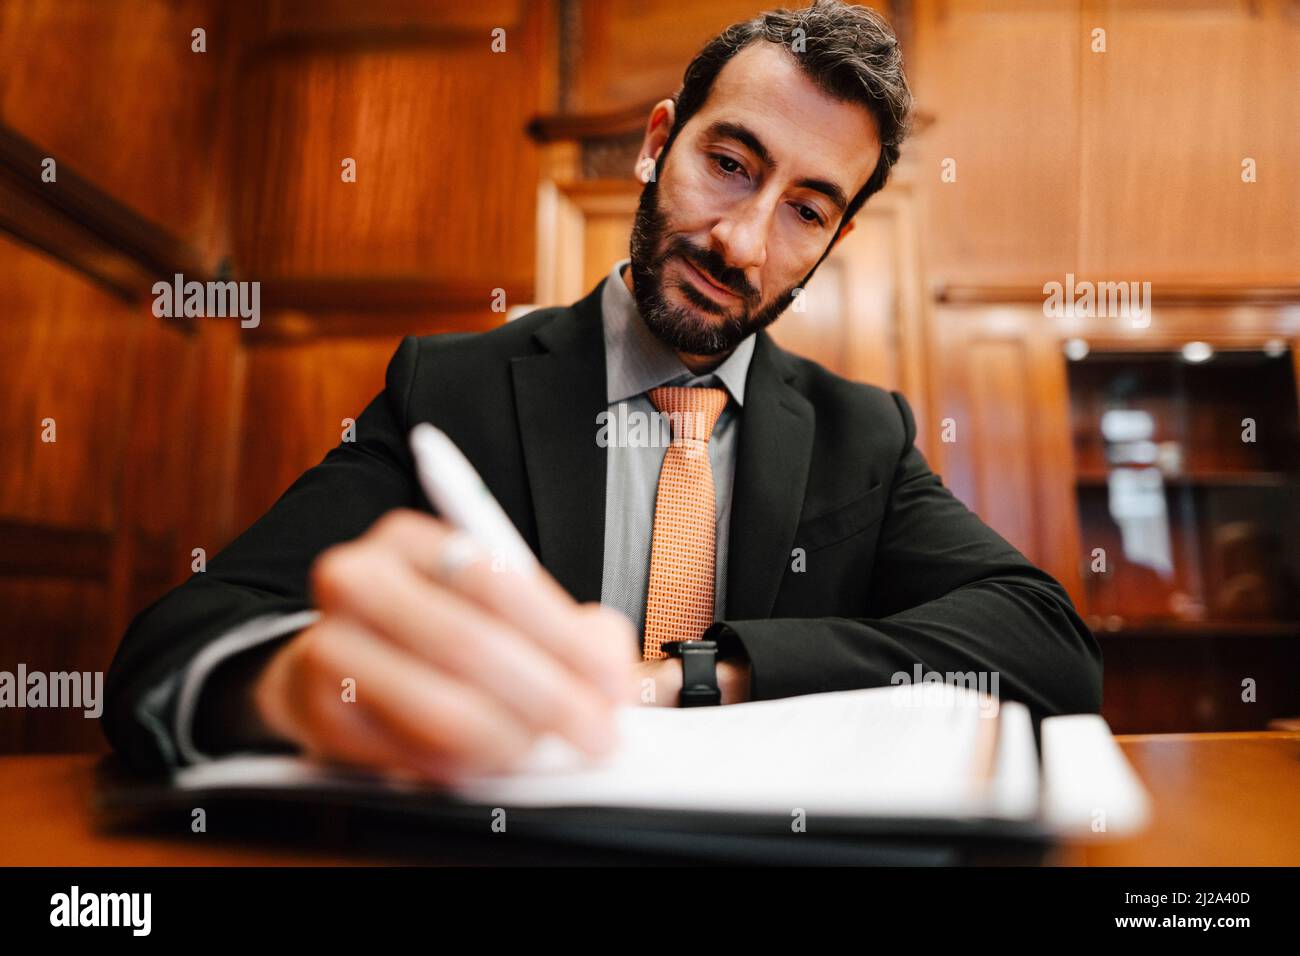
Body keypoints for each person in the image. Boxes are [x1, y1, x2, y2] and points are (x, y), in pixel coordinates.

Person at [103, 0, 1102, 785]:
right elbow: (181, 639)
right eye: (727, 163)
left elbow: (1045, 641)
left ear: (834, 243)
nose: (740, 241)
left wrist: (701, 677)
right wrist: (291, 687)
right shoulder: (451, 386)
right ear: (656, 141)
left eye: (804, 209)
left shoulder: (861, 434)